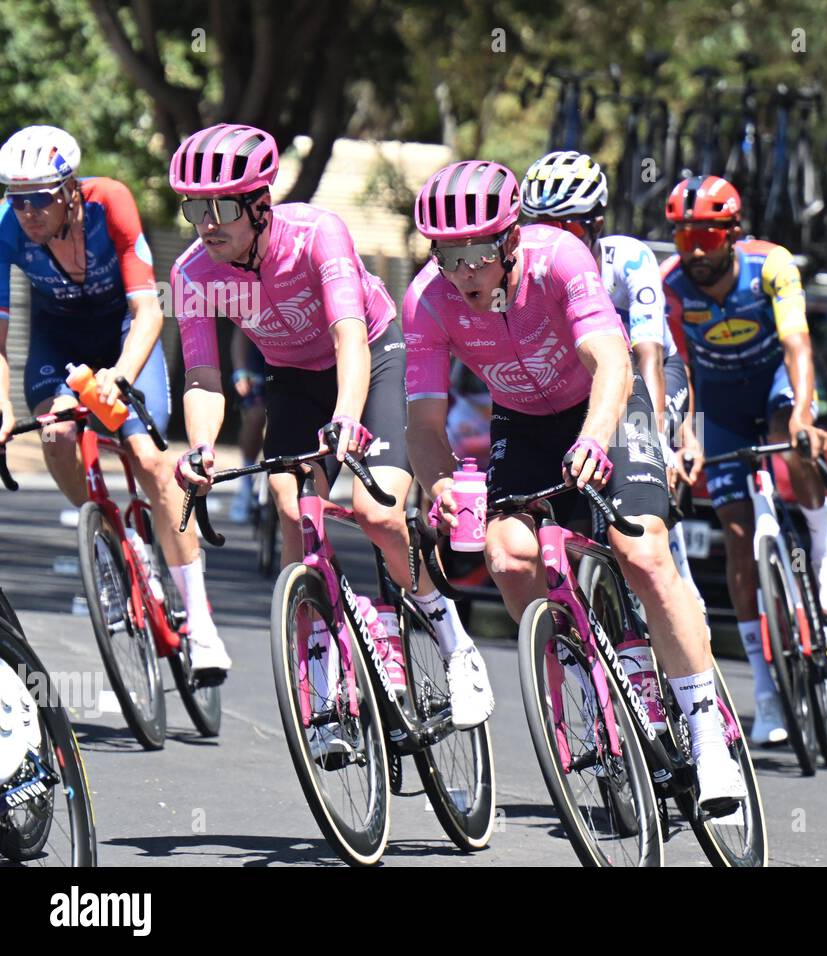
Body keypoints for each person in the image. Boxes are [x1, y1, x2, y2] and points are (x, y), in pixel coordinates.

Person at [405, 159, 745, 811]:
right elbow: (423, 420)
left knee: (643, 553)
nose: (464, 273)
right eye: (449, 255)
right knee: (506, 556)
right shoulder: (427, 299)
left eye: (477, 254)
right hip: (523, 419)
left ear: (510, 240)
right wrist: (441, 482)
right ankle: (586, 675)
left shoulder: (558, 257)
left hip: (607, 402)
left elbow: (615, 361)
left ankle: (709, 742)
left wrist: (595, 437)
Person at [167, 124, 492, 756]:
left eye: (224, 207)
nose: (207, 223)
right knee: (293, 511)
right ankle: (324, 684)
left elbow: (349, 336)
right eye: (196, 208)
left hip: (372, 355)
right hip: (293, 376)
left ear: (262, 205)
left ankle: (449, 631)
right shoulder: (194, 272)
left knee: (376, 510)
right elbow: (204, 376)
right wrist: (203, 449)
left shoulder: (318, 234)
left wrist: (347, 417)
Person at [0, 124, 229, 681]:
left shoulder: (112, 203)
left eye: (37, 198)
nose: (26, 211)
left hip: (126, 335)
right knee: (56, 434)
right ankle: (110, 541)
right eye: (14, 197)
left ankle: (200, 624)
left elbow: (150, 312)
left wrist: (120, 379)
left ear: (70, 189)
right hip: (60, 342)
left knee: (150, 460)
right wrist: (3, 410)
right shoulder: (7, 230)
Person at [661, 174, 827, 746]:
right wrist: (686, 438)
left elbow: (798, 345)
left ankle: (823, 548)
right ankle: (766, 693)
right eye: (685, 239)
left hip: (775, 385)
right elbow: (683, 371)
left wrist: (802, 415)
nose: (697, 253)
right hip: (717, 406)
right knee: (738, 540)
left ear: (733, 232)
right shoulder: (672, 288)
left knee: (788, 434)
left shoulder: (772, 265)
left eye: (709, 239)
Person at [518, 150, 707, 616]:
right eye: (539, 225)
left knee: (649, 471)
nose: (553, 239)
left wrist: (662, 443)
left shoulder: (629, 259)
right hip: (583, 386)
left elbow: (649, 357)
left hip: (649, 375)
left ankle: (680, 579)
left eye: (570, 228)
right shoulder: (525, 268)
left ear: (597, 223)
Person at [227, 328, 266, 523]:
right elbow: (241, 331)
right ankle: (245, 480)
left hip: (298, 359)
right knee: (256, 415)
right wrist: (240, 370)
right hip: (260, 361)